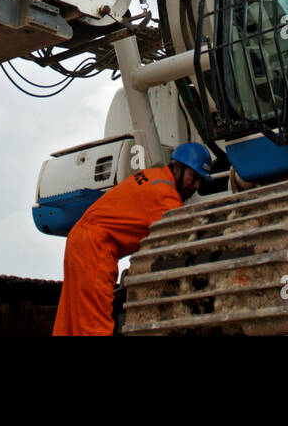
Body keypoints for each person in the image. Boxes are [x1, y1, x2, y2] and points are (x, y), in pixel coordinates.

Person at [52, 141, 213, 336]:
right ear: (178, 168)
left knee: (72, 319)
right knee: (95, 324)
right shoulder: (166, 195)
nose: (195, 186)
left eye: (200, 181)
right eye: (194, 177)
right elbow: (185, 241)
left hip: (79, 238)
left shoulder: (153, 177)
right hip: (97, 245)